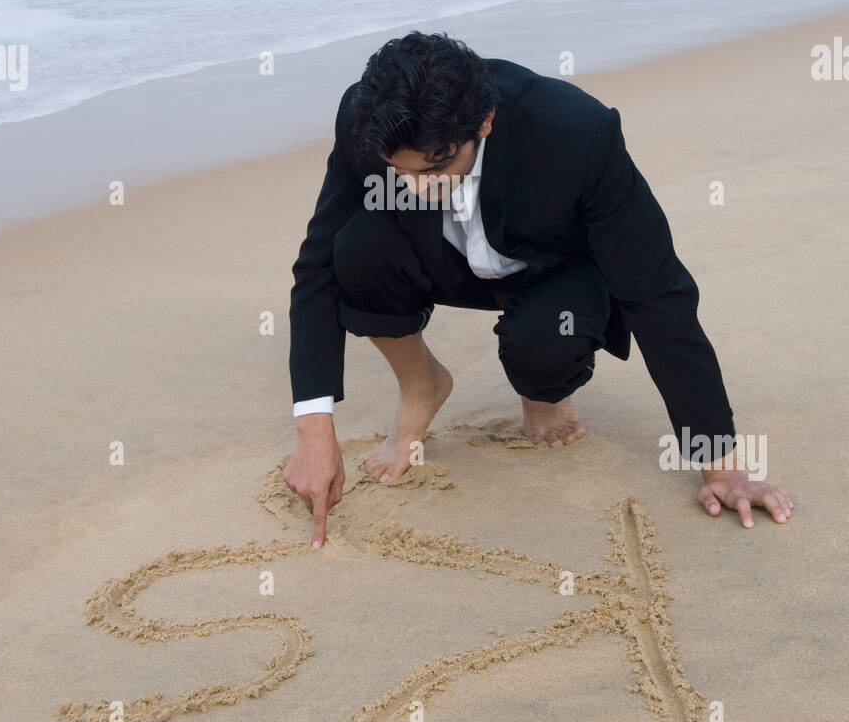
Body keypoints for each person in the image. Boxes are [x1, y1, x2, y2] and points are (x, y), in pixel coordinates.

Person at [285, 31, 792, 546]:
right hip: (450, 260)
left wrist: (721, 467)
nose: (414, 188)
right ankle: (422, 386)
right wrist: (313, 424)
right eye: (399, 171)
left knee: (545, 346)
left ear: (484, 123)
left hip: (553, 270)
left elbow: (659, 292)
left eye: (435, 166)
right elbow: (316, 267)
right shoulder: (367, 117)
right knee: (354, 248)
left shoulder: (576, 132)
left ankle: (541, 391)